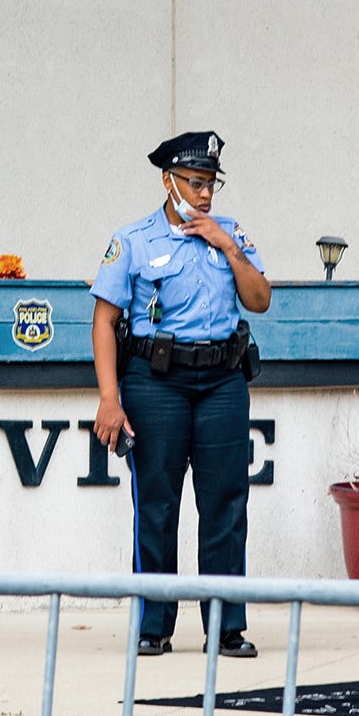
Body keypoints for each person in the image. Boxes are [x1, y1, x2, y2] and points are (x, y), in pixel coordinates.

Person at [91, 130, 272, 657]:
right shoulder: (135, 240)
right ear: (167, 180)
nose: (205, 194)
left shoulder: (230, 232)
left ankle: (225, 626)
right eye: (195, 183)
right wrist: (109, 397)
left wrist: (227, 245)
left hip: (222, 381)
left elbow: (259, 299)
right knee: (156, 504)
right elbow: (104, 321)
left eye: (211, 183)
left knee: (225, 505)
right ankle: (153, 625)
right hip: (156, 383)